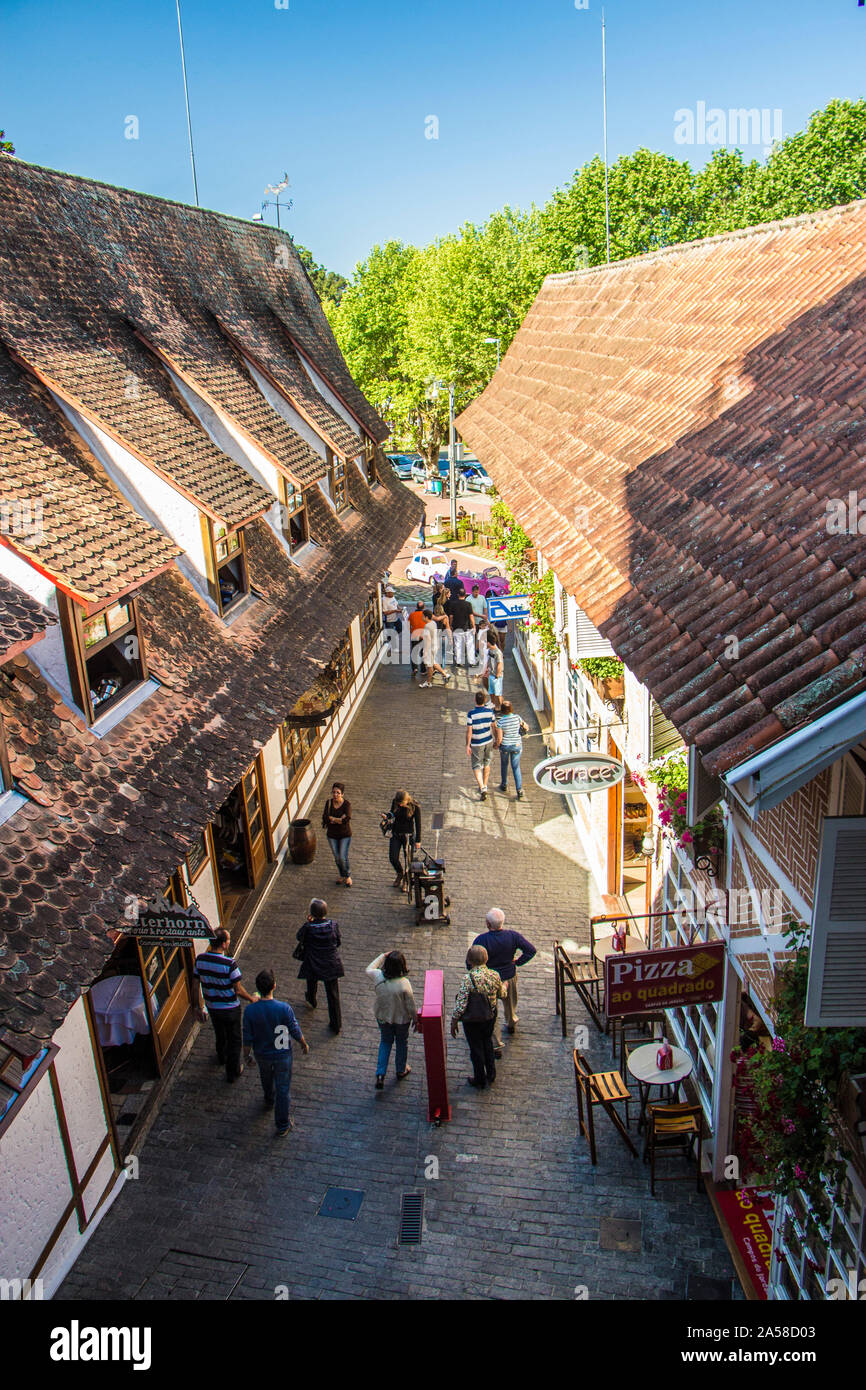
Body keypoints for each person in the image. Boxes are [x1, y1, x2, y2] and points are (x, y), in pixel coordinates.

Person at [242, 968, 310, 1136]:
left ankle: (269, 1098)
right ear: (274, 986)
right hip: (282, 1054)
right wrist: (303, 1043)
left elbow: (247, 1036)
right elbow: (294, 1029)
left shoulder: (250, 1011)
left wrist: (246, 1055)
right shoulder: (283, 1008)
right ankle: (282, 1124)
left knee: (266, 1077)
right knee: (283, 1088)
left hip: (262, 1054)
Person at [193, 928, 257, 1083]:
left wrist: (198, 1005)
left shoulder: (200, 960)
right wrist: (251, 998)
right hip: (230, 1008)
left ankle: (221, 1056)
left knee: (220, 1033)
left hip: (212, 1006)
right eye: (228, 940)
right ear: (223, 944)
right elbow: (238, 989)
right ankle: (233, 1071)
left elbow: (195, 983)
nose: (229, 942)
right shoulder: (229, 964)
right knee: (234, 1040)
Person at [472, 908, 536, 1052]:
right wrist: (518, 962)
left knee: (491, 1009)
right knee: (510, 1002)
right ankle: (511, 1022)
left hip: (489, 979)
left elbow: (471, 960)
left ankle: (496, 1041)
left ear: (488, 924)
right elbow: (531, 950)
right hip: (509, 976)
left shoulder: (481, 940)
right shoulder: (512, 936)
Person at [450, 945, 507, 1089]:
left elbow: (461, 1003)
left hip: (473, 1019)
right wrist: (504, 986)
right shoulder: (494, 975)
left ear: (469, 960)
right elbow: (502, 994)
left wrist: (454, 1020)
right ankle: (491, 1073)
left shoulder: (468, 979)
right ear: (486, 959)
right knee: (487, 1042)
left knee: (475, 1047)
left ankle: (479, 1078)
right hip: (489, 1015)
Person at [365, 950, 419, 1089]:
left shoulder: (378, 976)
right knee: (402, 1042)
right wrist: (415, 1019)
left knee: (385, 1041)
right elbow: (411, 1006)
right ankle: (401, 1069)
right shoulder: (404, 984)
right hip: (401, 1019)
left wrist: (382, 955)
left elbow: (369, 968)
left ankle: (380, 1073)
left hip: (383, 1016)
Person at [296, 899, 344, 1034]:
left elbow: (299, 937)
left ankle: (311, 999)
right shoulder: (333, 925)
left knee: (311, 981)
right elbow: (338, 942)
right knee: (333, 993)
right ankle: (336, 1024)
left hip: (313, 961)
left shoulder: (309, 927)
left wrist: (308, 922)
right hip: (331, 962)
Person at [494, 699, 528, 798]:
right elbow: (526, 727)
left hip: (505, 746)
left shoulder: (500, 722)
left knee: (504, 765)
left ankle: (504, 784)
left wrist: (496, 745)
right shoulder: (517, 718)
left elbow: (500, 738)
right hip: (517, 745)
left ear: (502, 710)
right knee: (516, 767)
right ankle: (519, 789)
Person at [466, 690, 496, 800]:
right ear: (485, 700)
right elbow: (494, 726)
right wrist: (496, 740)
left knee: (476, 765)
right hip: (488, 741)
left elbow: (469, 731)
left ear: (475, 700)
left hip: (476, 743)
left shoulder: (471, 714)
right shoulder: (490, 712)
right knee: (487, 763)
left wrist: (468, 745)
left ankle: (482, 786)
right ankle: (485, 784)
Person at [388, 789, 421, 886]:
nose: (400, 805)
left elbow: (418, 824)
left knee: (408, 860)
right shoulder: (395, 802)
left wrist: (418, 840)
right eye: (399, 803)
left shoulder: (415, 806)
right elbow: (392, 813)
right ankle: (400, 873)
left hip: (408, 835)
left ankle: (406, 880)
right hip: (396, 833)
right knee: (393, 857)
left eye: (402, 803)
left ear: (407, 800)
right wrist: (387, 816)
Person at [321, 781, 352, 885]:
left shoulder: (346, 804)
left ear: (342, 794)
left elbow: (346, 819)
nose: (335, 795)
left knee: (342, 857)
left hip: (345, 835)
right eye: (334, 792)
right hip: (332, 835)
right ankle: (341, 874)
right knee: (337, 858)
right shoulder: (328, 803)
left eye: (338, 793)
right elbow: (325, 818)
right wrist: (338, 819)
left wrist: (332, 819)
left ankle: (347, 876)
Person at [418, 607, 452, 688]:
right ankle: (445, 674)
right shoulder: (433, 623)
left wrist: (425, 651)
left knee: (429, 666)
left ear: (426, 617)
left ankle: (428, 682)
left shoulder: (427, 626)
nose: (422, 618)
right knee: (434, 663)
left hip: (430, 648)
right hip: (435, 646)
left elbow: (427, 639)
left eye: (423, 616)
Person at [444, 585, 476, 667]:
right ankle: (471, 662)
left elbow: (451, 616)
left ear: (458, 595)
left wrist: (450, 625)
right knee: (470, 646)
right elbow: (471, 616)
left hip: (456, 628)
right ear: (465, 595)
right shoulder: (468, 604)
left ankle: (459, 661)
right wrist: (474, 626)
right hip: (467, 628)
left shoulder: (453, 604)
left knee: (458, 645)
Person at [407, 600, 428, 681]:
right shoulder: (426, 615)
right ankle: (423, 670)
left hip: (414, 635)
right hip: (423, 636)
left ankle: (415, 668)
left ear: (416, 607)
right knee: (423, 653)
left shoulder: (411, 615)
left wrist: (411, 632)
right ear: (424, 607)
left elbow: (408, 626)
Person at [484, 633, 505, 709]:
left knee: (498, 693)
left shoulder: (497, 652)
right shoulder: (490, 651)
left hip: (496, 676)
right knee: (491, 691)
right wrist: (487, 669)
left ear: (489, 643)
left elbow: (500, 664)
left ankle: (501, 707)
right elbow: (489, 660)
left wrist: (497, 675)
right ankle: (493, 703)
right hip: (491, 674)